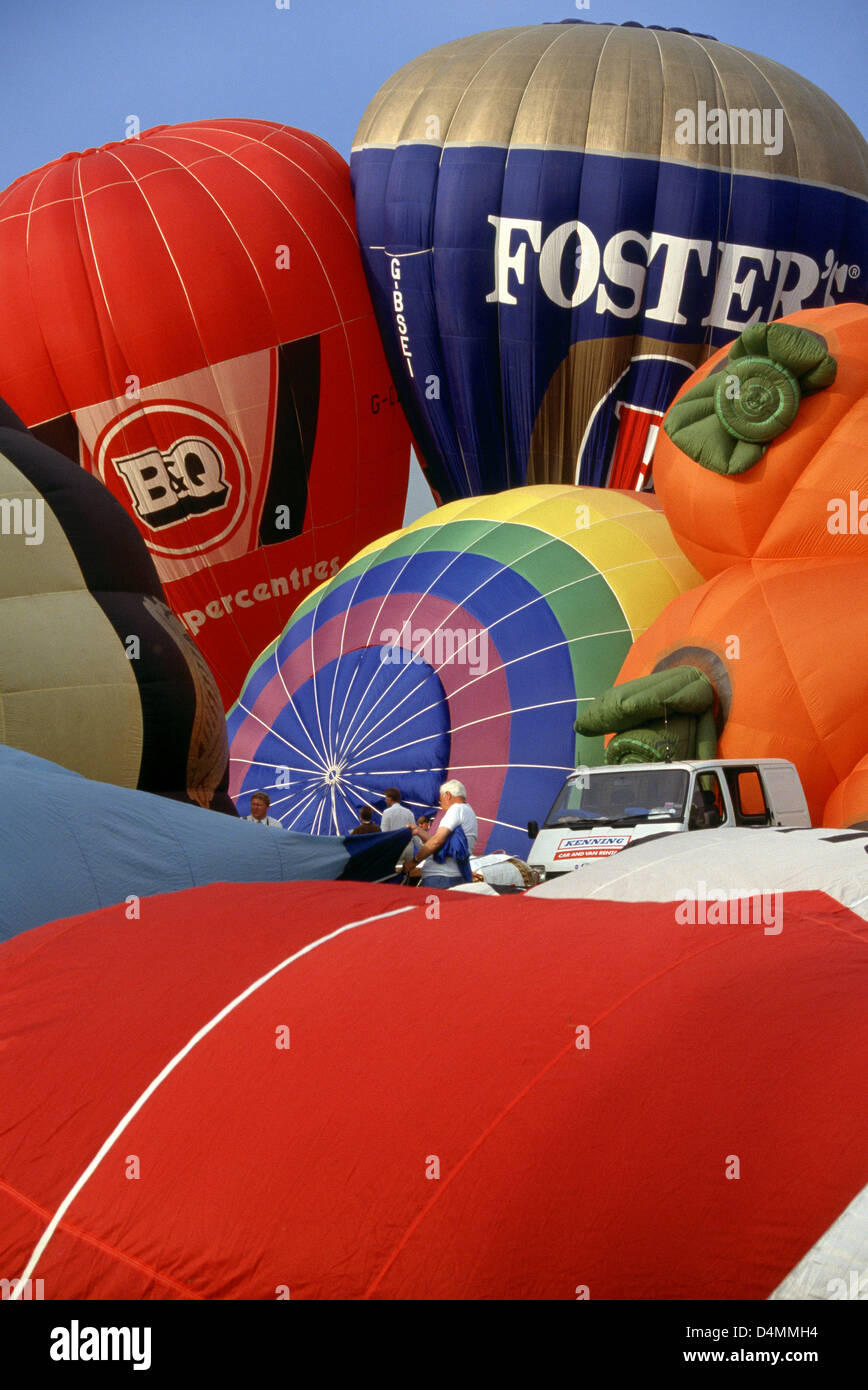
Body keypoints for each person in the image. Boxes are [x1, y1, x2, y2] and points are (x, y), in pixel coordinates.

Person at [412, 780, 477, 889]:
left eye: (440, 800)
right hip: (455, 876)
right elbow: (442, 843)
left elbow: (437, 841)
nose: (441, 806)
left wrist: (414, 861)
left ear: (447, 795)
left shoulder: (456, 809)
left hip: (441, 878)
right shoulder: (469, 811)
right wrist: (419, 832)